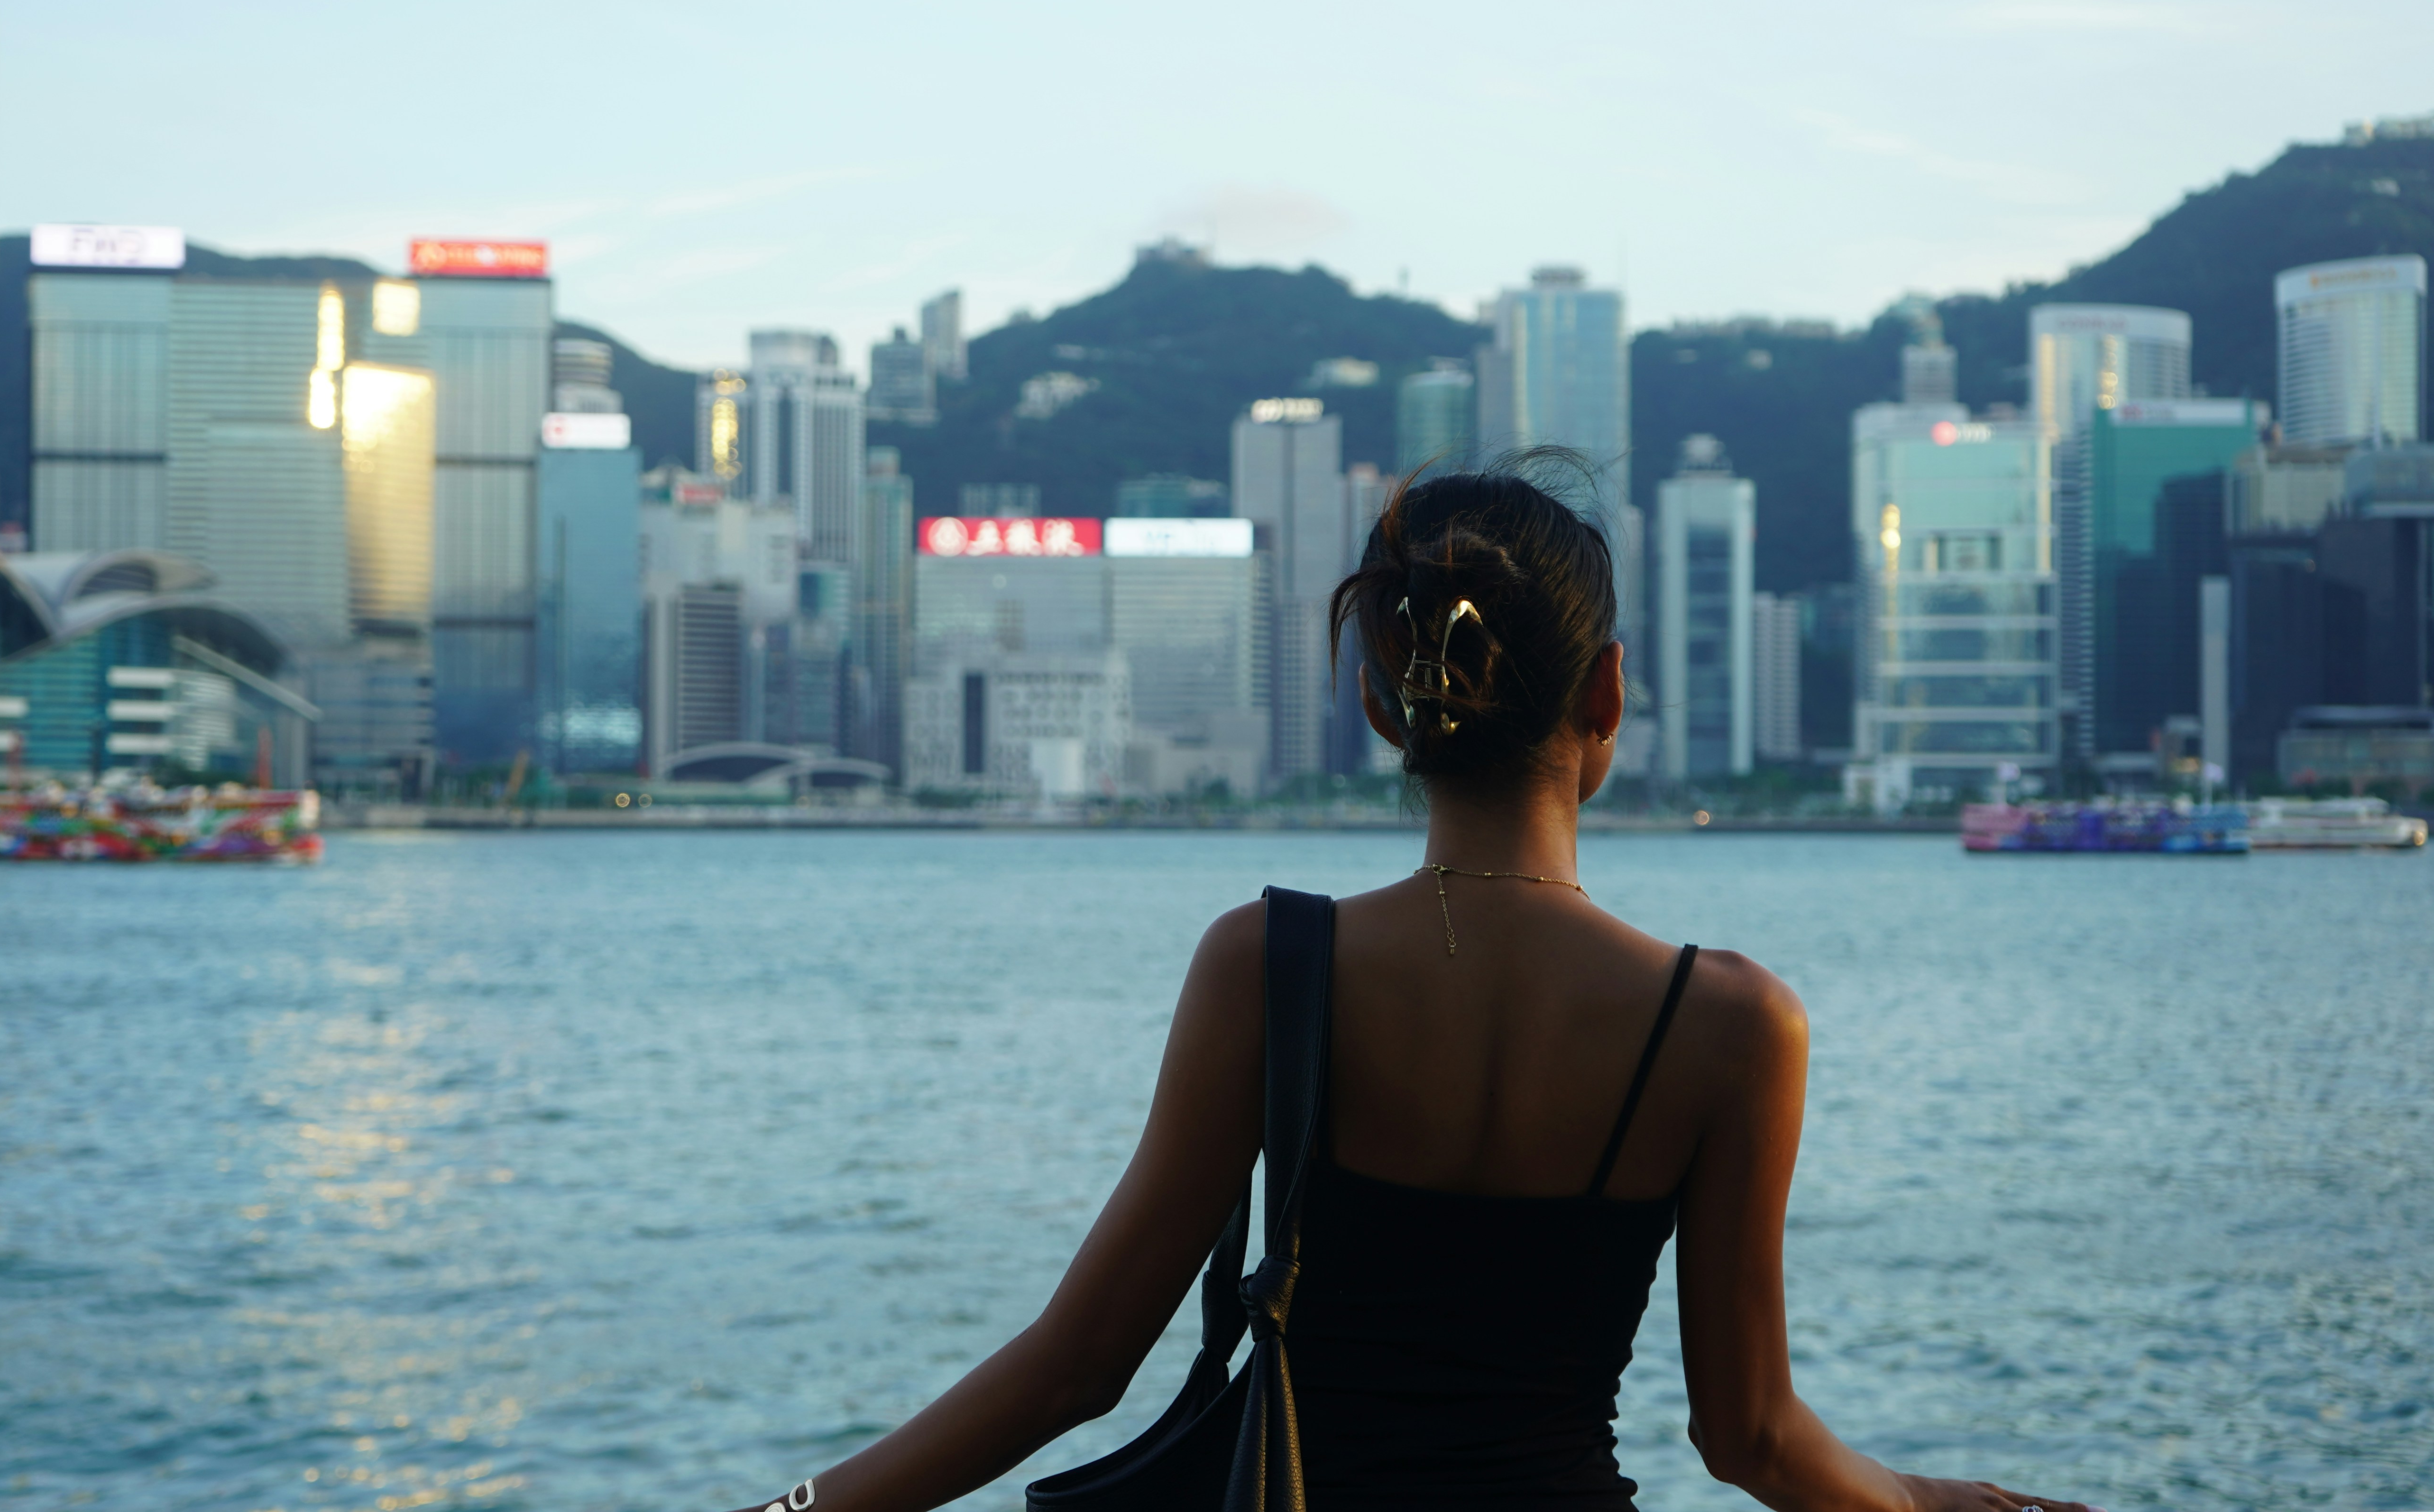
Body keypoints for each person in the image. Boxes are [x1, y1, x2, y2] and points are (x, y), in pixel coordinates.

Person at [725, 462, 2099, 1512]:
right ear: (1610, 693)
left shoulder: (1268, 965)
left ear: (1385, 709)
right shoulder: (1735, 1027)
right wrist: (1929, 1500)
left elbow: (1081, 1365)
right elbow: (1750, 1439)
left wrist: (796, 1509)